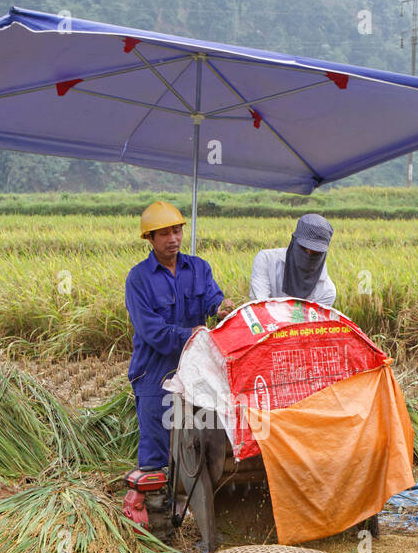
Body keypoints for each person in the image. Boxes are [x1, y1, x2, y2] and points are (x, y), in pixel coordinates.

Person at [125, 201, 233, 471]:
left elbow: (212, 299)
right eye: (164, 233)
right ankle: (155, 503)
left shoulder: (199, 268)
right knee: (157, 444)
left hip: (195, 368)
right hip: (155, 370)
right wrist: (192, 334)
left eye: (177, 231)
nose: (173, 239)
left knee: (203, 434)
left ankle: (191, 496)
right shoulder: (138, 279)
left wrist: (219, 308)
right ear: (149, 238)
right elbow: (153, 332)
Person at [249, 213, 337, 307]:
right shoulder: (266, 260)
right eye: (304, 249)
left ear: (323, 254)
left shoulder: (326, 291)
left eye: (316, 253)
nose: (308, 256)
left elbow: (312, 320)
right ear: (293, 241)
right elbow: (260, 306)